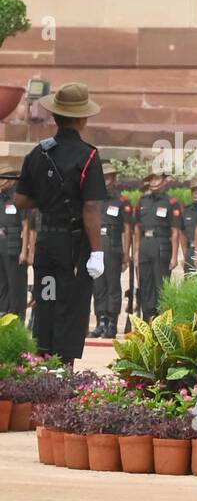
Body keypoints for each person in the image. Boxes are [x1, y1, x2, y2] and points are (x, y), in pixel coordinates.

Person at [13, 83, 106, 364]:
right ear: (82, 118)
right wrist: (97, 251)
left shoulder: (38, 153)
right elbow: (90, 207)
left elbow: (21, 200)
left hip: (46, 244)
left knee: (47, 299)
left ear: (55, 115)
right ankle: (63, 368)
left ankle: (43, 360)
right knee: (70, 304)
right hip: (72, 247)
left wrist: (48, 200)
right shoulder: (89, 156)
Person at [133, 171, 183, 321]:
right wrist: (136, 251)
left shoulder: (171, 203)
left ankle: (161, 320)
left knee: (160, 284)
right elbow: (137, 229)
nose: (153, 182)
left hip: (161, 245)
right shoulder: (142, 201)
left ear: (165, 181)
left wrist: (174, 257)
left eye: (156, 179)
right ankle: (147, 318)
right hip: (145, 245)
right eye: (151, 179)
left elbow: (175, 232)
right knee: (145, 283)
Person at [91, 162, 132, 338]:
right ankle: (101, 321)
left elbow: (127, 229)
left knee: (113, 285)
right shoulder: (93, 199)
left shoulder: (122, 201)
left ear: (114, 179)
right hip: (96, 245)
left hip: (113, 245)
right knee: (98, 285)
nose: (105, 180)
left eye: (108, 177)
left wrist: (126, 254)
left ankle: (112, 322)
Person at [0, 170, 30, 319]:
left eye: (3, 178)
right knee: (2, 283)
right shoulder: (1, 198)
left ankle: (17, 318)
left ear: (12, 180)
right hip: (1, 247)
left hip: (14, 248)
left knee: (16, 285)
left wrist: (24, 251)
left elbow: (26, 225)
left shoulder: (19, 197)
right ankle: (3, 314)